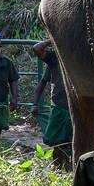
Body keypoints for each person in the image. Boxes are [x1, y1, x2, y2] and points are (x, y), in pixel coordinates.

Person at [32, 39, 71, 167]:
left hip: (76, 107)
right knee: (55, 141)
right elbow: (37, 48)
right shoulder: (54, 59)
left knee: (75, 141)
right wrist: (54, 38)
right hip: (59, 106)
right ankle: (57, 167)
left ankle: (72, 169)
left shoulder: (80, 60)